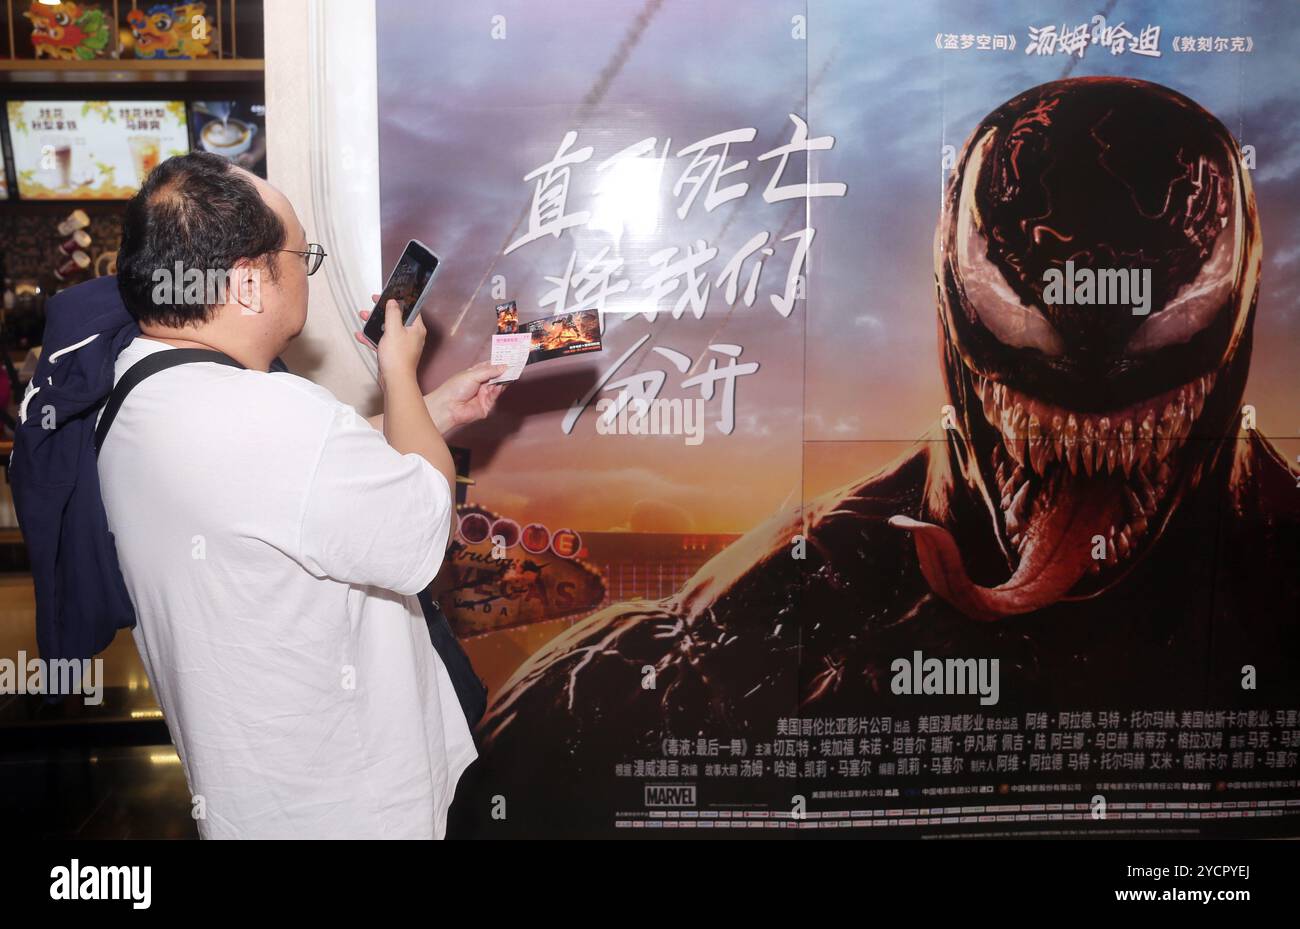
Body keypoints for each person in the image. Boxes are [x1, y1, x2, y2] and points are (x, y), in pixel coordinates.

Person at [100, 151, 505, 838]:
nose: (304, 272)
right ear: (251, 283)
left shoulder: (143, 393)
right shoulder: (274, 415)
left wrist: (429, 412)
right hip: (353, 806)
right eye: (301, 254)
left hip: (255, 798)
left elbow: (287, 487)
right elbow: (422, 526)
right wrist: (398, 372)